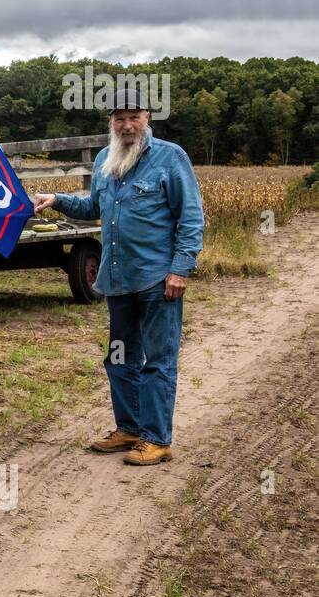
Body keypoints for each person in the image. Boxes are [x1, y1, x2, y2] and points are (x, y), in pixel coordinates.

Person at [32, 92, 205, 466]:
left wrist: (180, 268)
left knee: (157, 361)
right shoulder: (104, 159)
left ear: (147, 118)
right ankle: (128, 429)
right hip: (118, 279)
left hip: (158, 280)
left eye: (134, 117)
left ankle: (156, 439)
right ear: (111, 122)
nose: (127, 126)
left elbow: (190, 218)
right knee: (120, 358)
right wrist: (57, 199)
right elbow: (94, 207)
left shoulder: (170, 158)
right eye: (119, 118)